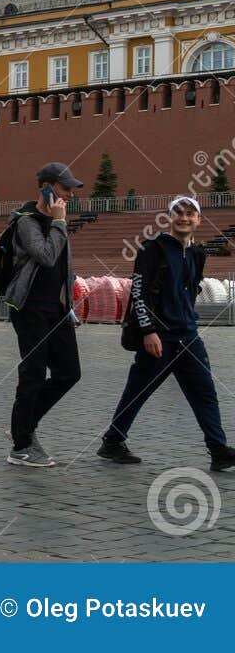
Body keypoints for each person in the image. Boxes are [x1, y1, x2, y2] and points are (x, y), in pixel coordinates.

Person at [100, 196, 235, 471]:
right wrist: (149, 330)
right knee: (137, 392)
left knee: (205, 393)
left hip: (189, 335)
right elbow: (138, 292)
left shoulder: (198, 253)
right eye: (179, 213)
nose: (184, 218)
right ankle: (112, 441)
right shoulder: (153, 249)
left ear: (198, 219)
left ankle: (218, 450)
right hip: (160, 336)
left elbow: (191, 287)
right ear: (170, 217)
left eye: (190, 214)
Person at [4, 161, 84, 468]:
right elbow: (47, 256)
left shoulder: (56, 222)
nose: (71, 196)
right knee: (33, 375)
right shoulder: (27, 220)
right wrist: (59, 222)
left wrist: (69, 306)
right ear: (47, 187)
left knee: (69, 373)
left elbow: (65, 269)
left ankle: (22, 424)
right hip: (30, 309)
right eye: (66, 189)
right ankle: (21, 446)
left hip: (57, 310)